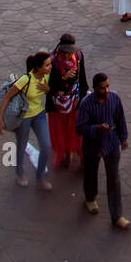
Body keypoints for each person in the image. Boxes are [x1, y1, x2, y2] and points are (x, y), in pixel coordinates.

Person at [77, 73, 131, 227]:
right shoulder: (86, 104)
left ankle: (117, 215)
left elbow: (120, 118)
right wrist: (97, 129)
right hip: (92, 145)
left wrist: (123, 138)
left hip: (111, 143)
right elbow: (80, 128)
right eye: (102, 88)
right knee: (90, 173)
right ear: (94, 89)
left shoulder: (114, 98)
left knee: (114, 179)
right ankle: (90, 197)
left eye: (108, 86)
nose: (106, 90)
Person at [0, 49, 54, 188]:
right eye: (47, 65)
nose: (50, 67)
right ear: (38, 67)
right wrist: (0, 120)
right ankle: (20, 173)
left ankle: (40, 176)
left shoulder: (47, 76)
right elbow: (7, 98)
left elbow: (51, 91)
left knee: (46, 145)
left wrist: (47, 90)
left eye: (50, 64)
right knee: (21, 145)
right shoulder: (26, 79)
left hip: (39, 114)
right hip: (24, 117)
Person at [46, 33, 89, 169]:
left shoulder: (79, 57)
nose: (66, 56)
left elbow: (82, 77)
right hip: (57, 104)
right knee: (60, 129)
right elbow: (48, 86)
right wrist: (63, 79)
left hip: (75, 100)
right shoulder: (51, 62)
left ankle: (75, 152)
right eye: (64, 53)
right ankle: (63, 153)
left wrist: (83, 96)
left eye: (69, 53)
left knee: (74, 128)